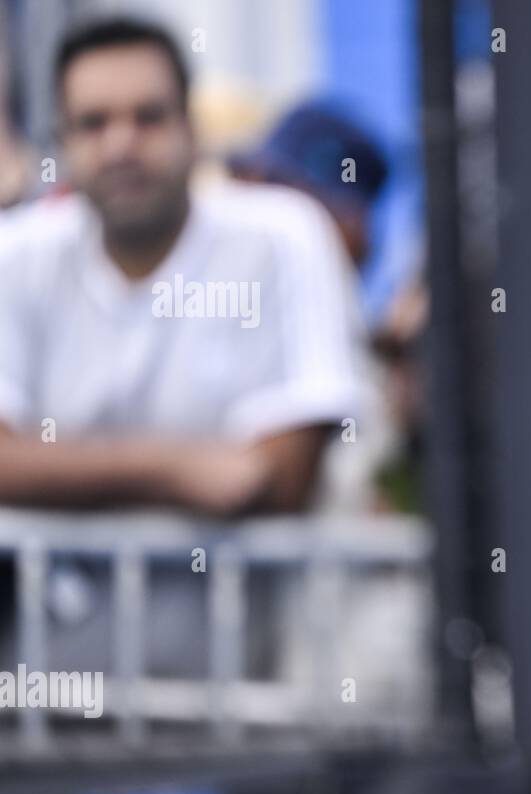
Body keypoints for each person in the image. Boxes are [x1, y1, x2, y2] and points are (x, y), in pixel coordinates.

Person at [0, 17, 372, 676]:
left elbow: (277, 478)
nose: (121, 144)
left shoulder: (284, 237)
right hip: (51, 687)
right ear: (60, 141)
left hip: (270, 686)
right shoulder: (19, 253)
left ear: (190, 129)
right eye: (92, 123)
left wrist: (50, 470)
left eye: (148, 117)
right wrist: (178, 469)